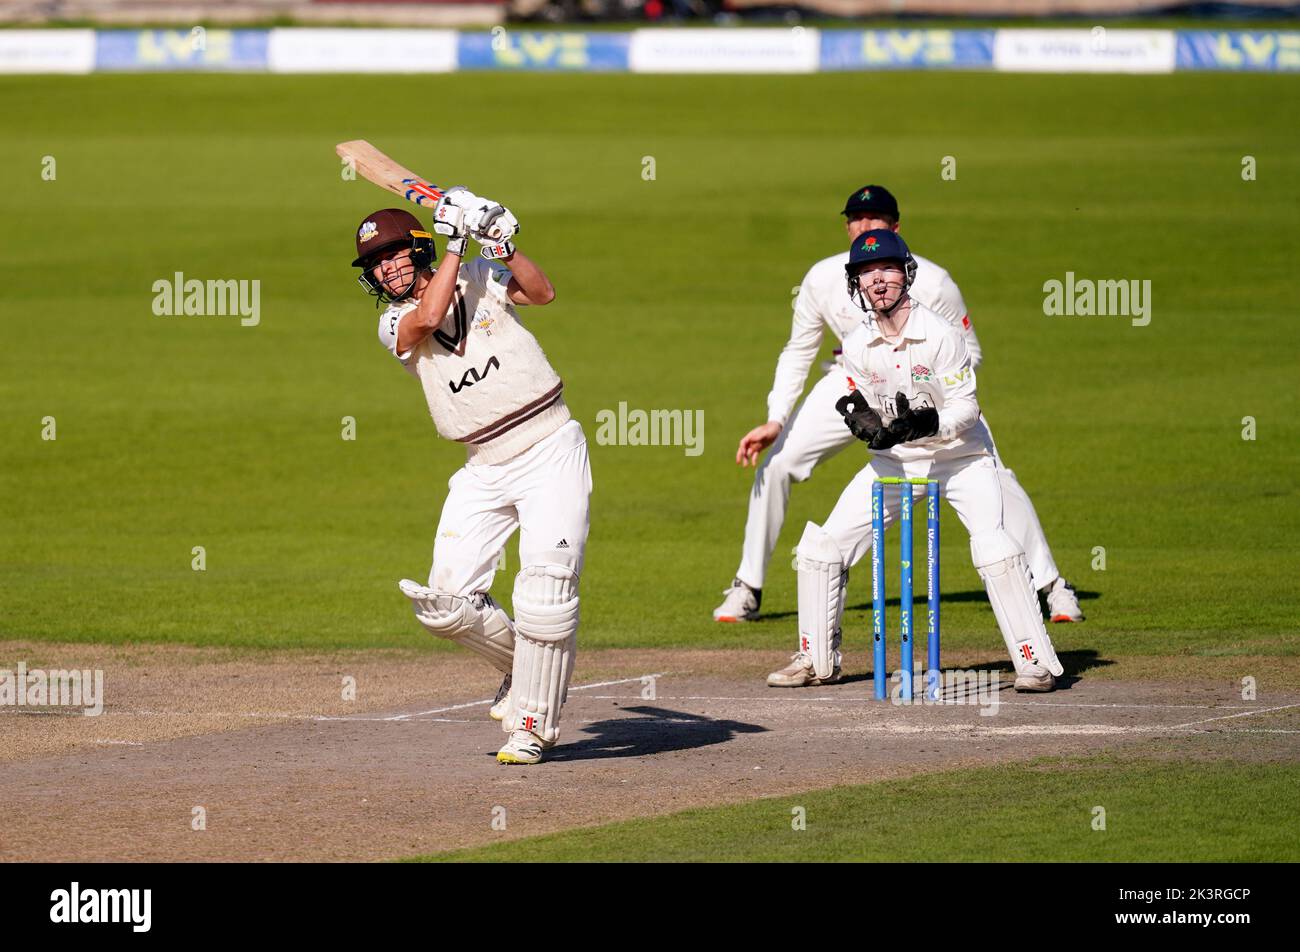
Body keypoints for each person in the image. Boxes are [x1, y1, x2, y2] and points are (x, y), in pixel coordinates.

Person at [715, 185, 1082, 626]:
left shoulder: (934, 281)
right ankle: (747, 587)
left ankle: (1053, 587)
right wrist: (776, 417)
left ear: (896, 227)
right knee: (777, 464)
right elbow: (798, 350)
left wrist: (932, 405)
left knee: (995, 475)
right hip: (853, 379)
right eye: (855, 219)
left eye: (875, 219)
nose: (863, 227)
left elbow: (970, 352)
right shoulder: (821, 278)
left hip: (930, 388)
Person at [768, 229, 1065, 692]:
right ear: (856, 284)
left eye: (886, 269)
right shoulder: (859, 342)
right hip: (895, 462)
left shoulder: (941, 334)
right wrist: (864, 420)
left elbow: (967, 407)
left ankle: (1034, 662)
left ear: (905, 274)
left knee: (994, 548)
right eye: (867, 273)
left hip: (961, 458)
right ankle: (816, 658)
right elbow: (858, 394)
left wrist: (930, 425)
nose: (878, 280)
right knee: (820, 549)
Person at [351, 194, 590, 765]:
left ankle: (532, 727)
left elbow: (542, 292)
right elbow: (429, 319)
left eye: (393, 254)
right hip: (483, 464)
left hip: (549, 447)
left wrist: (500, 243)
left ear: (418, 247)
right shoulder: (390, 323)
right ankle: (518, 668)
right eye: (376, 263)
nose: (386, 268)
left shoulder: (481, 275)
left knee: (546, 593)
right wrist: (458, 240)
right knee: (445, 605)